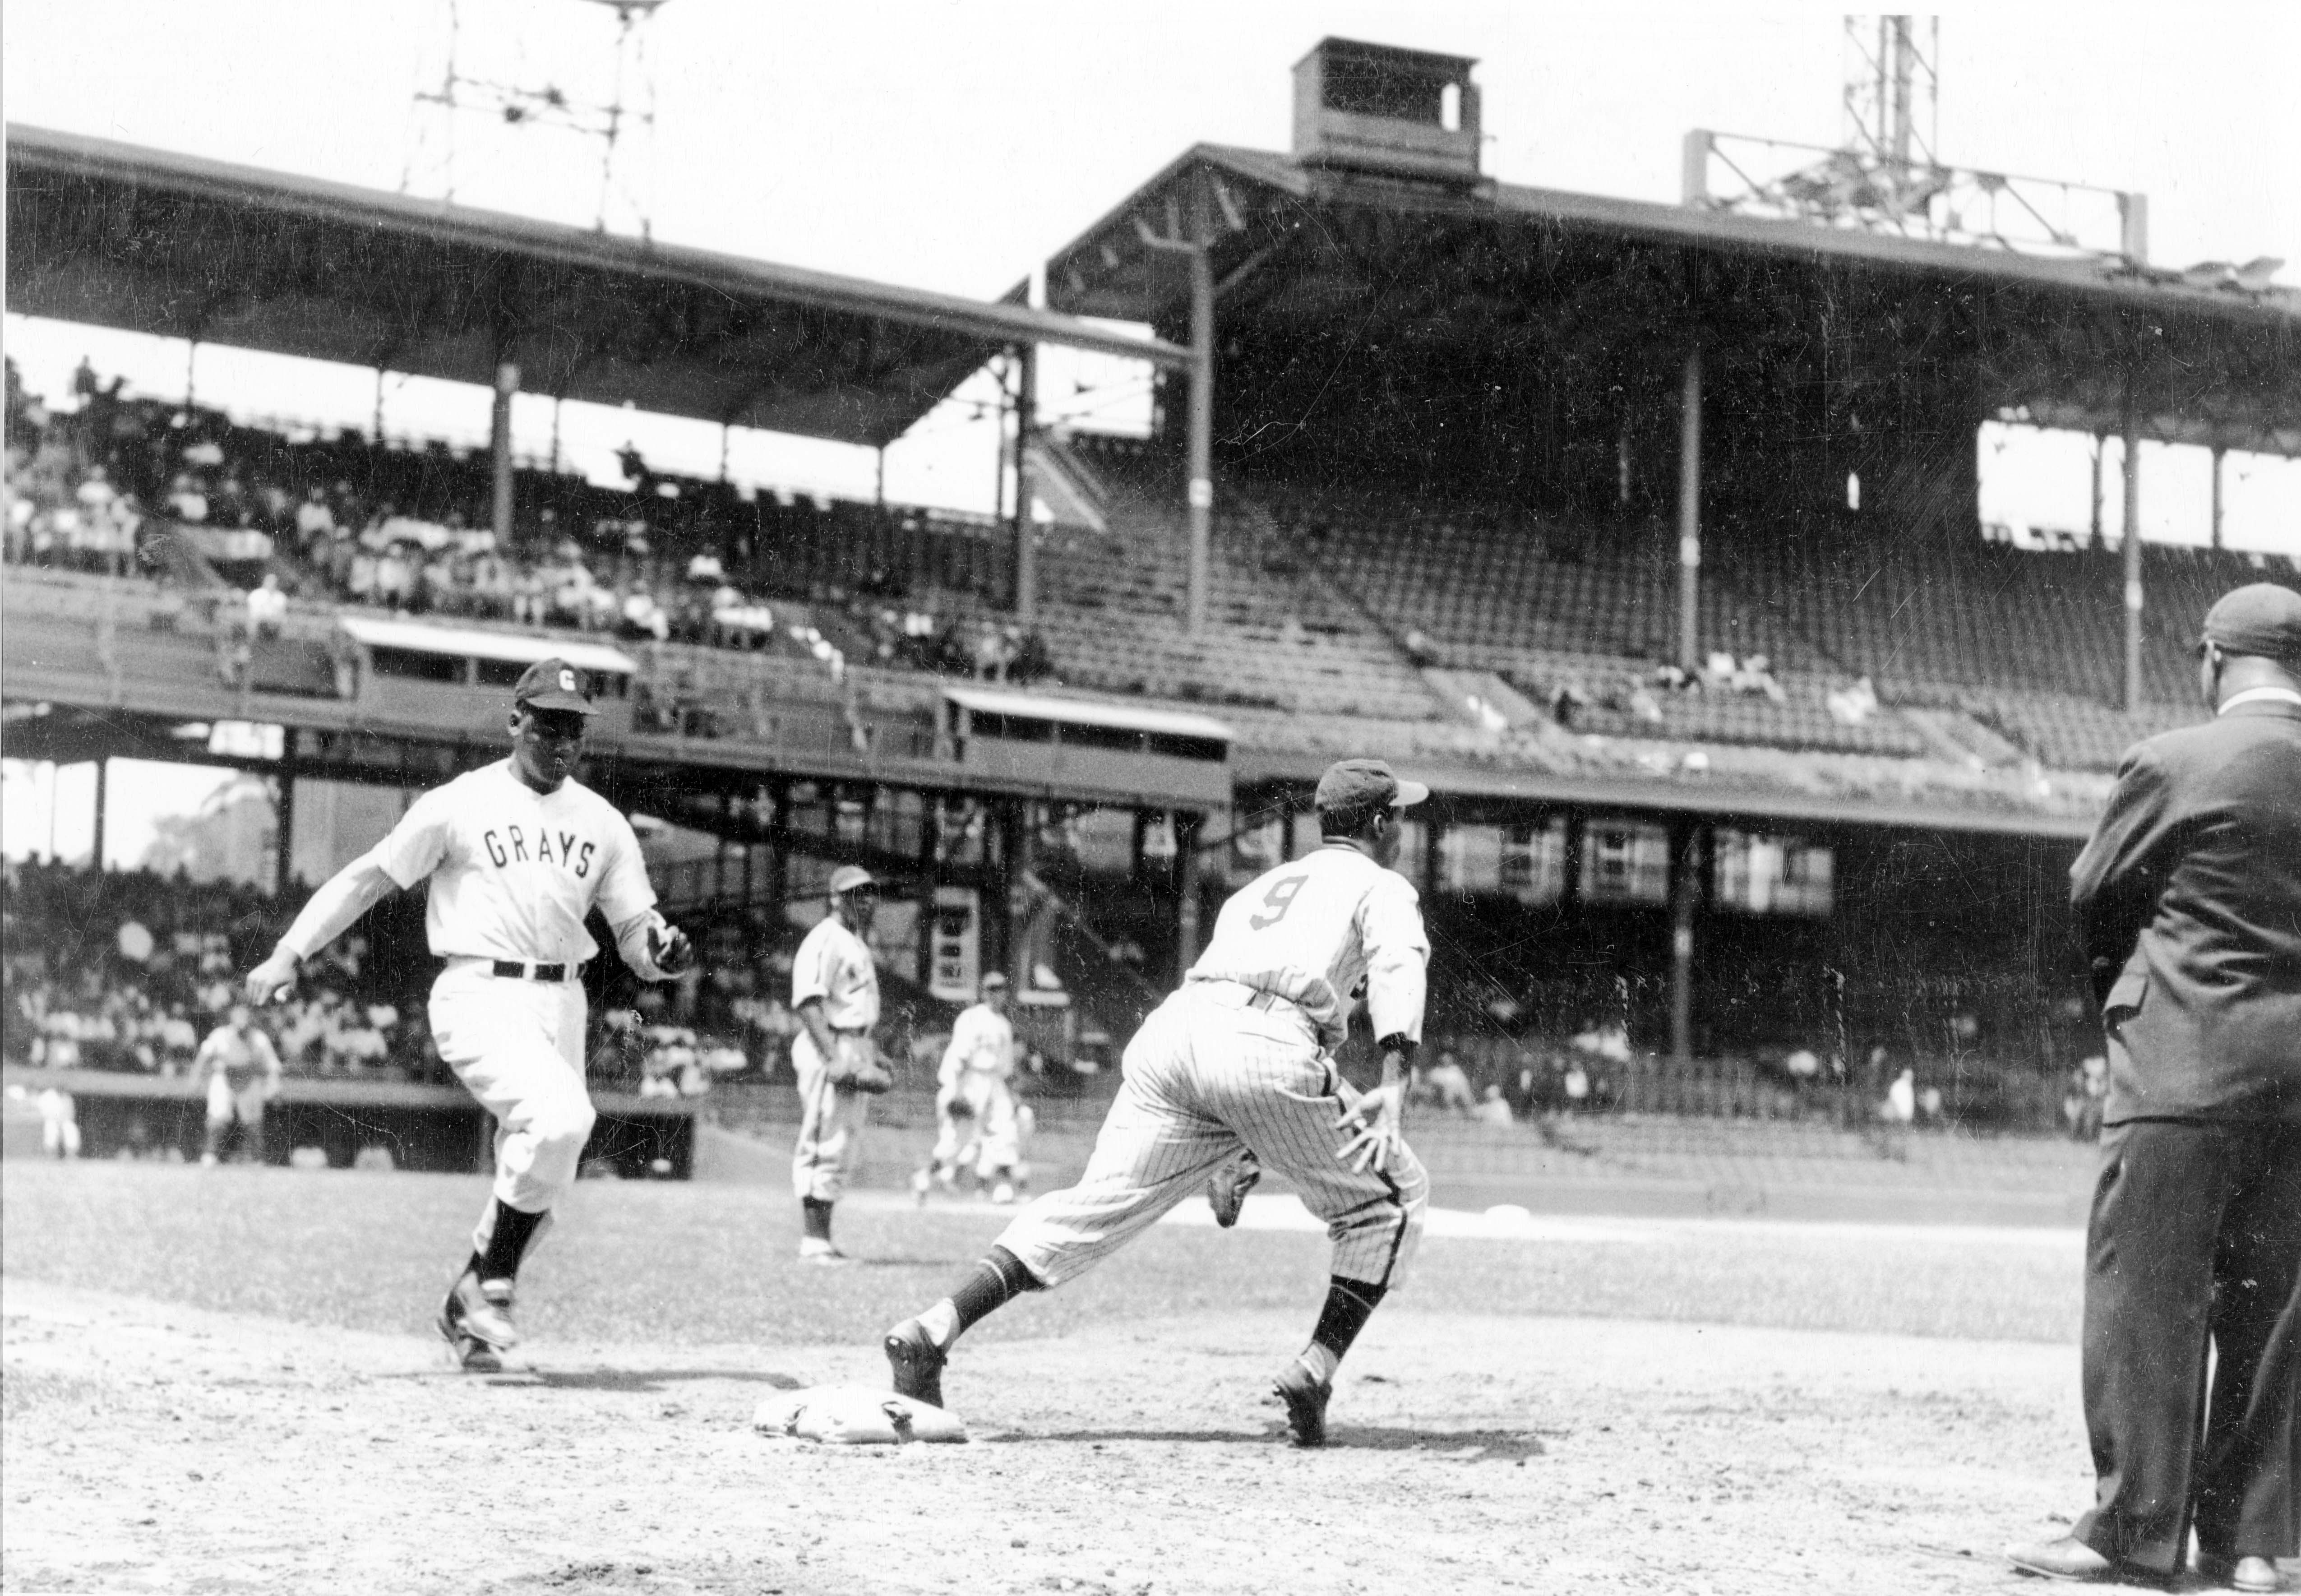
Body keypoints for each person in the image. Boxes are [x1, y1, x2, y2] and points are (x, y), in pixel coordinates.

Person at [880, 758, 1434, 1447]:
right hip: (1267, 1037)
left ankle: (935, 1327)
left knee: (1093, 1205)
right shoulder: (1381, 885)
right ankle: (1317, 1367)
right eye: (1400, 816)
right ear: (1381, 823)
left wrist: (1242, 1142)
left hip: (1177, 1032)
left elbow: (1234, 1060)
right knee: (1394, 1195)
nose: (1404, 830)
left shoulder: (1264, 885)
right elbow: (1398, 965)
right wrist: (1395, 1078)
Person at [244, 657, 692, 1372]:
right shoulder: (461, 801)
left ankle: (468, 1298)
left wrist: (661, 950)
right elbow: (370, 877)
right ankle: (492, 1285)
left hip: (562, 998)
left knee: (552, 1164)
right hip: (478, 989)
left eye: (573, 729)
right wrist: (290, 951)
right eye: (547, 724)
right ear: (516, 720)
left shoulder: (604, 823)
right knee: (561, 1121)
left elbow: (637, 932)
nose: (561, 741)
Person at [2007, 583, 2301, 1592]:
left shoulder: (2176, 760)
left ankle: (2134, 1533)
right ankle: (2258, 1546)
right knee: (2276, 1318)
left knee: (2150, 1301)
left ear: (2215, 660)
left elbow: (2097, 896)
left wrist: (2134, 1001)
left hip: (2182, 1067)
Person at [788, 865, 884, 1263]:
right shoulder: (825, 938)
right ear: (835, 898)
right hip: (828, 1042)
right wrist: (832, 1055)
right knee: (821, 1142)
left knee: (842, 1145)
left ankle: (823, 1240)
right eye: (856, 893)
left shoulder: (854, 941)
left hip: (851, 1044)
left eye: (871, 892)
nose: (867, 899)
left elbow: (857, 1008)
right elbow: (809, 1002)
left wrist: (869, 1052)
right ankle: (813, 1241)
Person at [920, 971, 1024, 1202]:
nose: (997, 994)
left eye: (1001, 989)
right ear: (984, 992)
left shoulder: (1004, 1024)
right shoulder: (971, 1017)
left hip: (994, 1080)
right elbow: (959, 1055)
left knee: (1006, 1130)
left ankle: (1004, 1187)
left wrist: (1013, 1094)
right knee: (957, 1138)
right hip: (970, 1079)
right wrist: (956, 1091)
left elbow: (1006, 1067)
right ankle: (924, 1177)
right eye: (992, 989)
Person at [196, 1003, 282, 1166]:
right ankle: (209, 1156)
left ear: (251, 1019)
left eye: (246, 1017)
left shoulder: (259, 1038)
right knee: (218, 1117)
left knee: (253, 1122)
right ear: (232, 1018)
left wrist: (274, 1084)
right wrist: (195, 1079)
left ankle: (258, 1160)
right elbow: (204, 1055)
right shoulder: (220, 1035)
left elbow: (273, 1065)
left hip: (249, 1079)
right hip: (224, 1078)